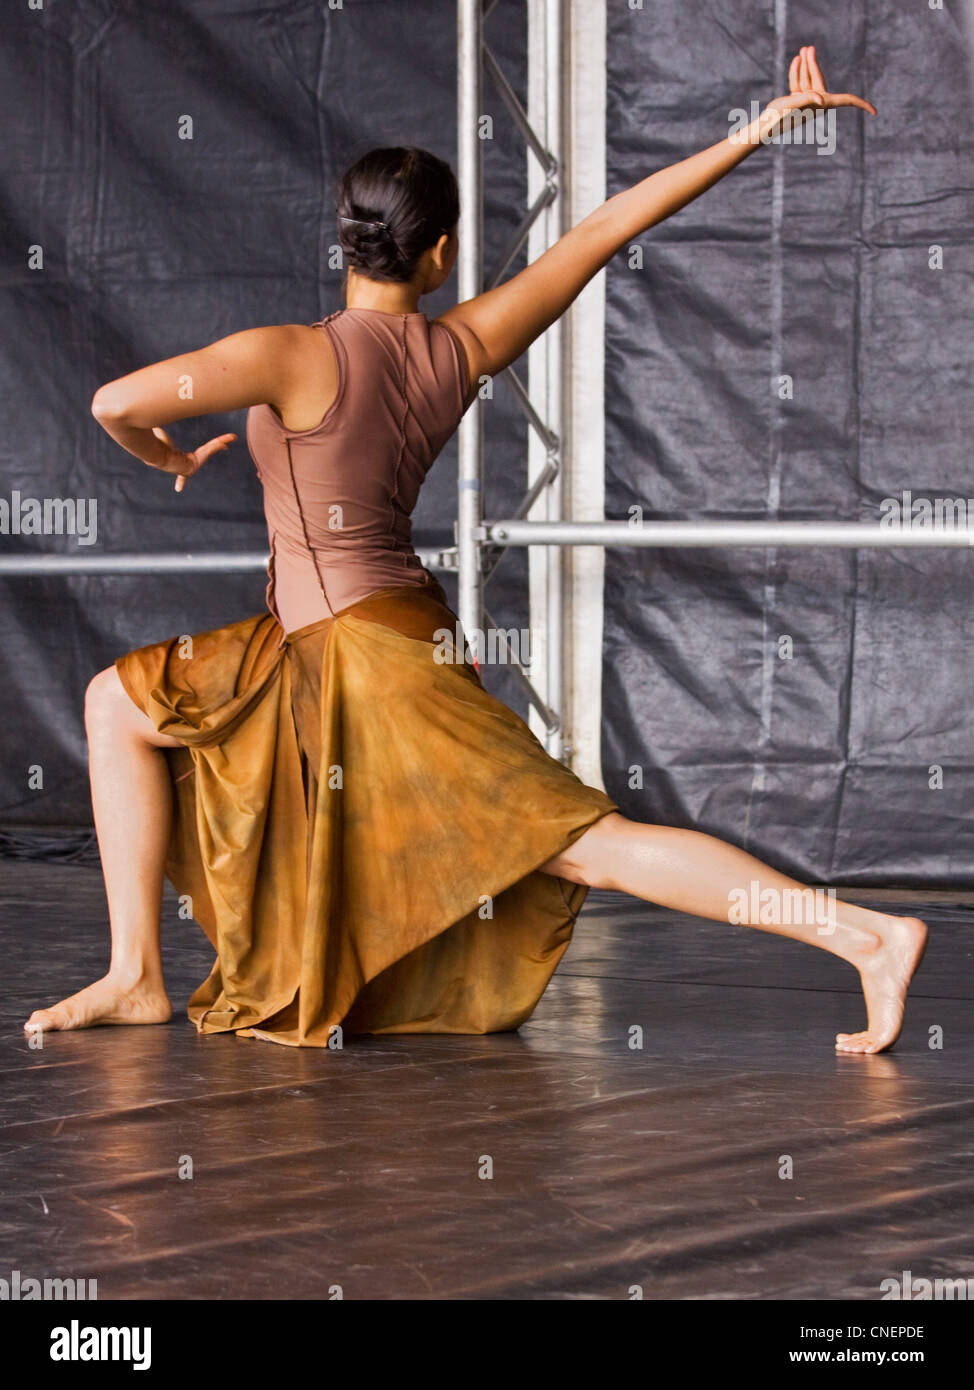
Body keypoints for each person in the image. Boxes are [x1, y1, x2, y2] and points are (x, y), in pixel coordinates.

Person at [25, 46, 926, 1054]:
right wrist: (757, 128)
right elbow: (604, 227)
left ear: (346, 241)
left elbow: (114, 403)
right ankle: (136, 973)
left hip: (363, 661)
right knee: (119, 701)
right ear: (440, 255)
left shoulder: (287, 353)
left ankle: (864, 934)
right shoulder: (463, 345)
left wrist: (167, 456)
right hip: (358, 639)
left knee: (583, 845)